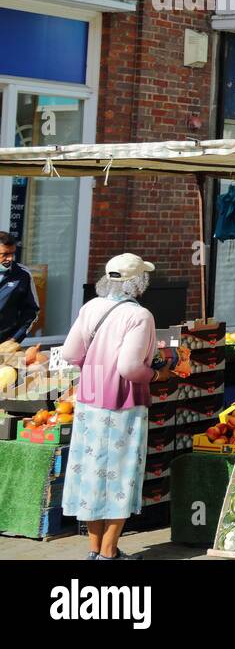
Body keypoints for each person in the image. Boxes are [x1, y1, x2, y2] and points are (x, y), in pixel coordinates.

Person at [61, 254, 167, 560]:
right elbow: (130, 368)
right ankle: (109, 553)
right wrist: (158, 374)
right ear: (138, 282)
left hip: (89, 399)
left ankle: (95, 551)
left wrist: (95, 365)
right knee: (121, 475)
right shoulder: (140, 316)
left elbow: (70, 353)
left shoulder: (91, 307)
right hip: (123, 404)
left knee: (91, 474)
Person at [0, 232, 40, 345]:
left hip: (4, 346)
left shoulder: (22, 274)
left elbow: (32, 311)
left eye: (12, 253)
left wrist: (14, 339)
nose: (10, 258)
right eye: (5, 254)